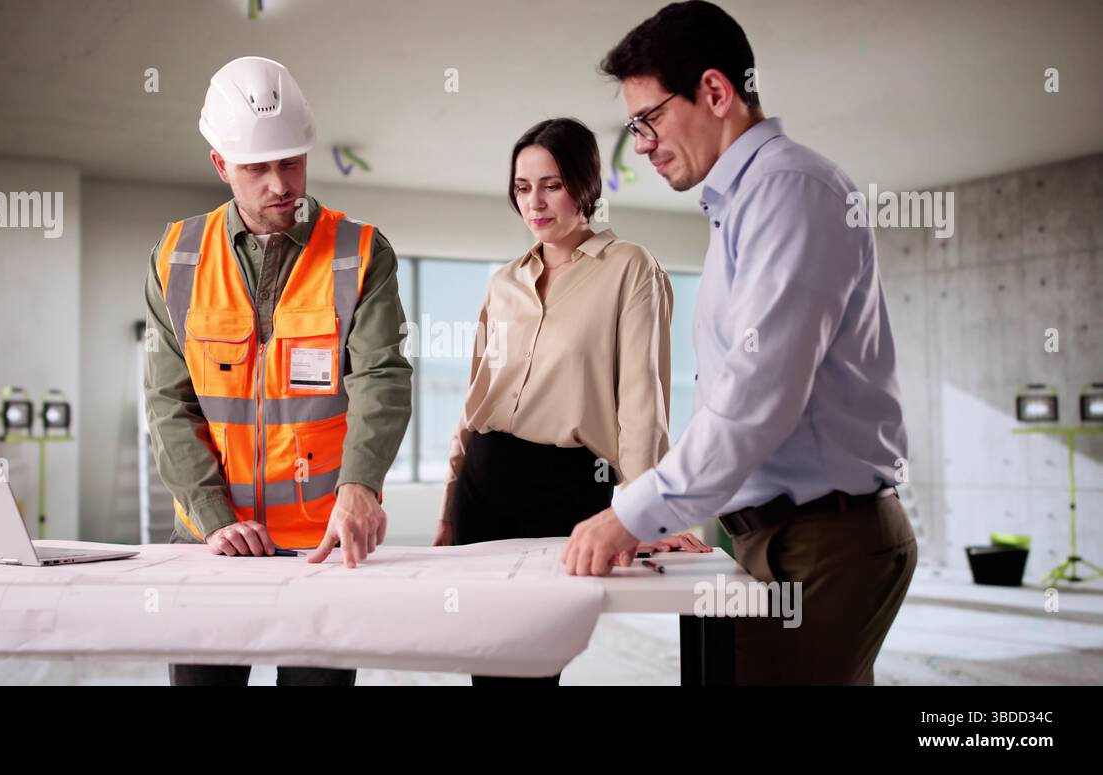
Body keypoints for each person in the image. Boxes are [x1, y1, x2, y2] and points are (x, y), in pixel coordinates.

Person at [563, 1, 916, 686]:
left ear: (716, 92)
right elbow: (732, 394)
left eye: (649, 119)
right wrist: (680, 508)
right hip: (782, 534)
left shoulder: (790, 190)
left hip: (821, 542)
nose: (639, 144)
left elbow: (757, 397)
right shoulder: (746, 202)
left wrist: (629, 514)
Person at [144, 56, 412, 686]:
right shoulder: (177, 255)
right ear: (220, 166)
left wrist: (361, 487)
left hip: (324, 542)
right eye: (256, 168)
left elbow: (381, 378)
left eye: (291, 161)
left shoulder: (361, 252)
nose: (278, 184)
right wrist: (214, 519)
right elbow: (168, 401)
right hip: (214, 543)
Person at [436, 117, 708, 685]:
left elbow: (642, 400)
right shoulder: (504, 282)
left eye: (551, 184)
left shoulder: (631, 268)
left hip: (565, 487)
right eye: (521, 187)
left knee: (535, 667)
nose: (534, 202)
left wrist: (644, 510)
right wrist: (446, 508)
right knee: (484, 662)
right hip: (482, 484)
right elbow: (474, 402)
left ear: (584, 185)